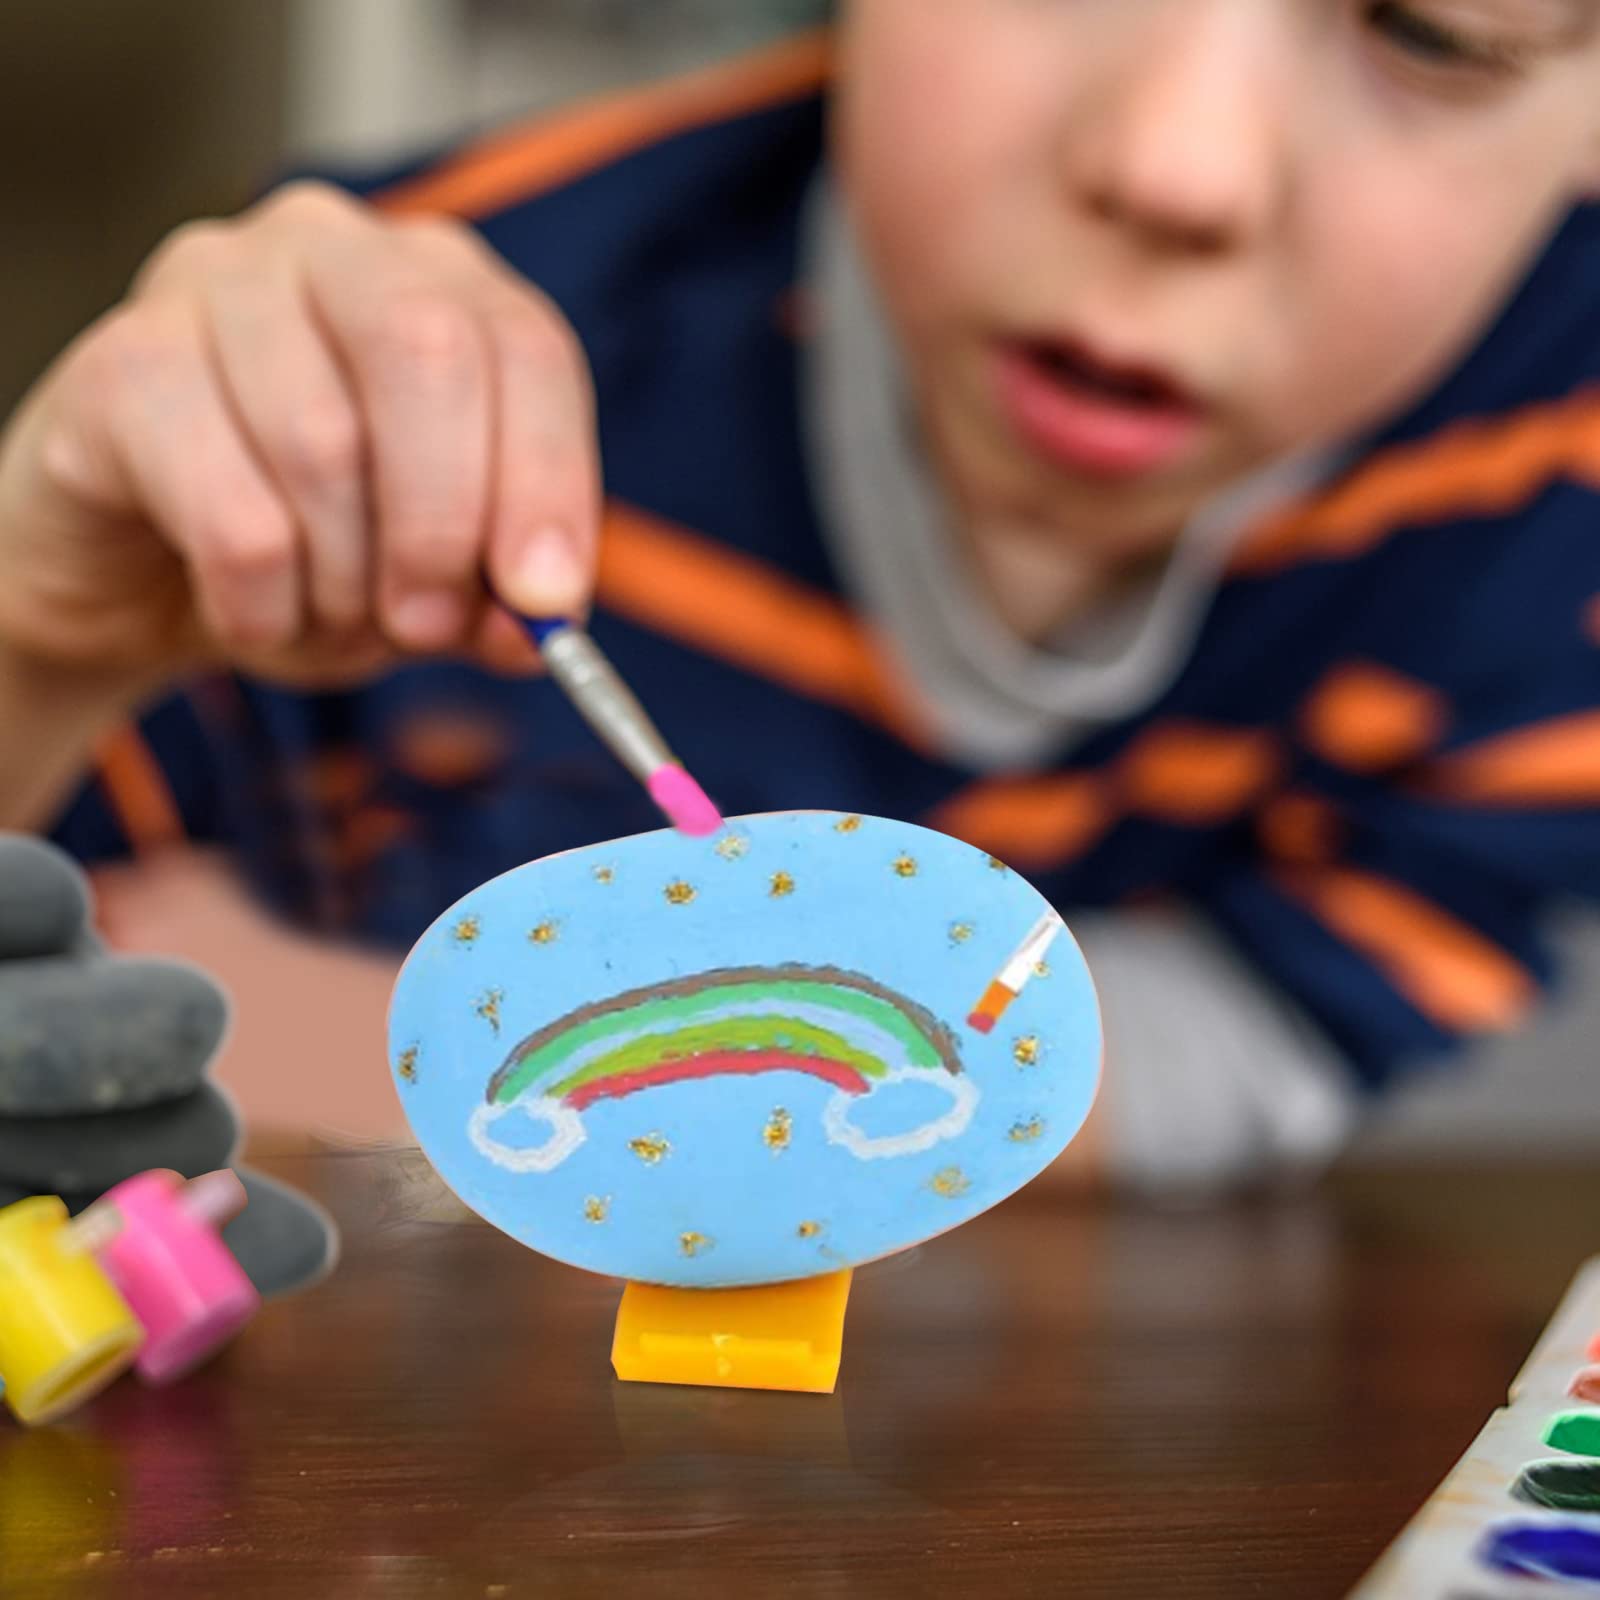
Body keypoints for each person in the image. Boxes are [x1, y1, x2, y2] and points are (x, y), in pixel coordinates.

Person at [2, 1, 1598, 1193]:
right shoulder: (373, 393)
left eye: (1433, 27)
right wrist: (38, 636)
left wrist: (392, 1058)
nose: (1177, 166)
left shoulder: (1562, 495)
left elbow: (1296, 1013)